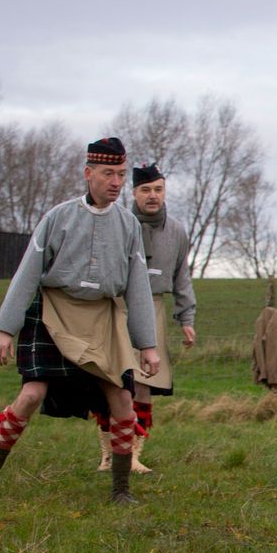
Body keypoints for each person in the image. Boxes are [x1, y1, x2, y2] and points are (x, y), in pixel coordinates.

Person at [0, 137, 160, 505]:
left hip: (102, 319)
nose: (116, 182)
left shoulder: (128, 225)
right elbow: (27, 273)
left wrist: (147, 344)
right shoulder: (57, 217)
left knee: (122, 398)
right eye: (108, 174)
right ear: (89, 174)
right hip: (53, 313)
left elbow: (137, 286)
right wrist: (4, 328)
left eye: (121, 174)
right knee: (30, 394)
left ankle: (121, 491)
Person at [91, 162, 196, 474]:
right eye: (146, 190)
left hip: (153, 305)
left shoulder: (176, 231)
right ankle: (108, 454)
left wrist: (186, 318)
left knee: (145, 382)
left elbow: (182, 277)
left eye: (159, 190)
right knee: (109, 379)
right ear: (134, 192)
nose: (153, 196)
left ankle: (133, 454)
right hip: (115, 305)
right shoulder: (117, 223)